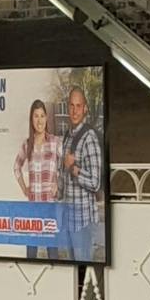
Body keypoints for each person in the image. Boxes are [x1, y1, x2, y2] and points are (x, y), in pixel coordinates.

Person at [61, 81, 104, 265]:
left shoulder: (90, 138)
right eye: (71, 105)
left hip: (83, 220)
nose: (75, 110)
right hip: (69, 217)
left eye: (79, 106)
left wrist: (74, 168)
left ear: (85, 108)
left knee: (86, 270)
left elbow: (95, 182)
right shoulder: (67, 137)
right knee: (73, 271)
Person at [13, 95, 62, 256]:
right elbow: (16, 167)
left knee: (52, 252)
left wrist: (58, 183)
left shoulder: (55, 142)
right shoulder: (27, 144)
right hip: (33, 208)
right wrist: (24, 189)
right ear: (31, 119)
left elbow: (68, 166)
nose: (39, 120)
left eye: (42, 116)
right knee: (31, 252)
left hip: (50, 207)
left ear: (46, 118)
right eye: (36, 116)